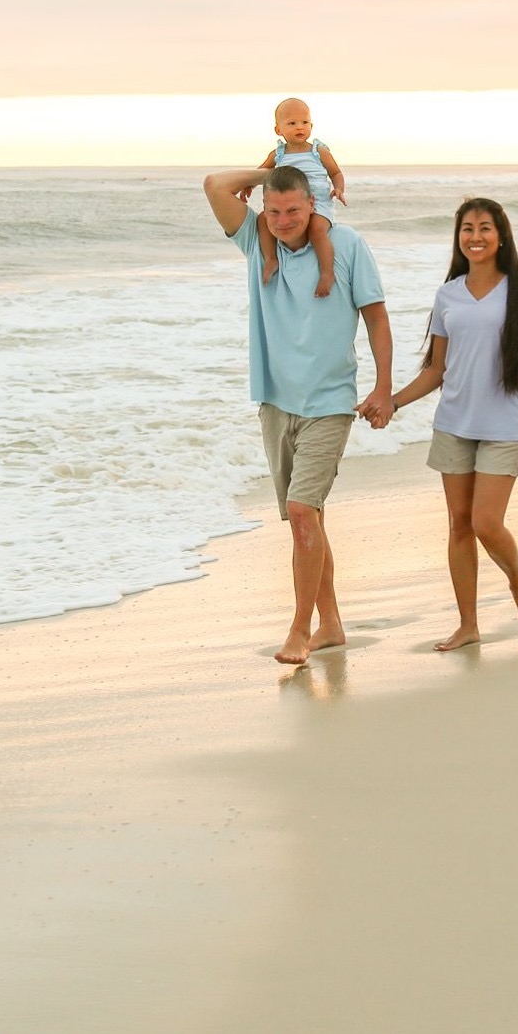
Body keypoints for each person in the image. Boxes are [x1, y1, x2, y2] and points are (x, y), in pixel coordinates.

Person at [204, 159, 394, 665]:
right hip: (274, 400)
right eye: (274, 211)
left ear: (314, 206)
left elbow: (375, 317)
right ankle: (331, 624)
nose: (284, 221)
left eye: (293, 210)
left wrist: (385, 387)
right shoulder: (256, 244)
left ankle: (299, 630)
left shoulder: (347, 245)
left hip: (331, 403)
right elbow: (214, 185)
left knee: (302, 511)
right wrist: (269, 170)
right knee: (305, 518)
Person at [388, 198, 518, 651]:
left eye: (484, 228)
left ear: (501, 235)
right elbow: (437, 369)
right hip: (454, 423)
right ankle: (468, 625)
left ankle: (517, 581)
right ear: (458, 238)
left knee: (484, 522)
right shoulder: (449, 295)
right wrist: (392, 402)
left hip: (505, 425)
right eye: (466, 229)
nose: (475, 236)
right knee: (459, 524)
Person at [238, 98, 346, 297]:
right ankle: (271, 259)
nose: (300, 127)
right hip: (289, 204)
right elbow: (261, 171)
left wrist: (338, 189)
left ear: (311, 125)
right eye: (292, 123)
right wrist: (248, 185)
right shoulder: (278, 153)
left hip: (318, 201)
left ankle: (327, 272)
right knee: (262, 220)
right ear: (279, 130)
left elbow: (336, 173)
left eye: (305, 122)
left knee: (316, 230)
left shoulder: (318, 151)